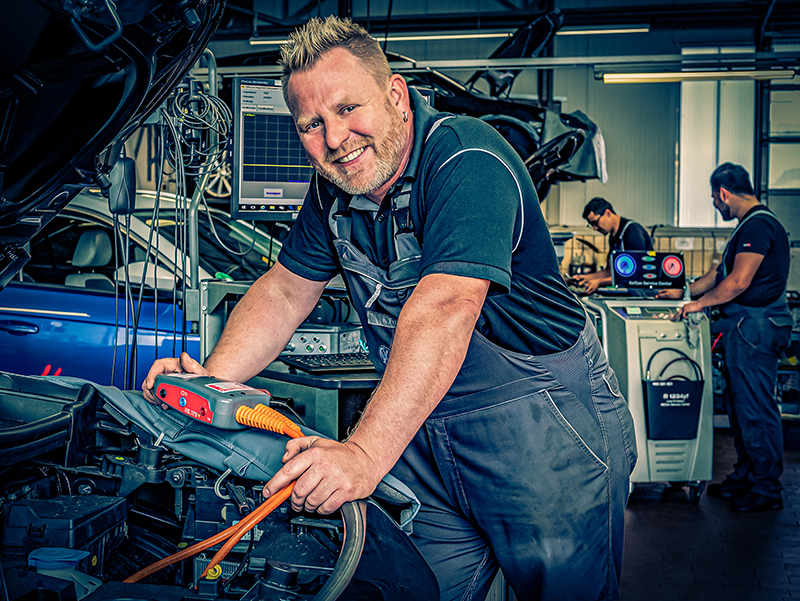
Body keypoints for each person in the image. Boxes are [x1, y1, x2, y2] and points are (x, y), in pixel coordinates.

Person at [143, 16, 637, 600]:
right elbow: (283, 289)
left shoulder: (466, 159)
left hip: (542, 433)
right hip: (422, 427)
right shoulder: (335, 192)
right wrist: (211, 382)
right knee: (408, 587)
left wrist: (362, 453)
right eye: (312, 123)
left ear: (396, 96)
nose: (334, 138)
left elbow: (447, 304)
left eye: (350, 108)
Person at [657, 163, 792, 513]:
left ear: (723, 193)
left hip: (756, 329)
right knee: (739, 406)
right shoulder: (747, 227)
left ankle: (766, 488)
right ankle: (746, 475)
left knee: (757, 409)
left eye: (715, 199)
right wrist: (683, 293)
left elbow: (737, 282)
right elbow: (719, 274)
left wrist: (699, 305)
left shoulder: (759, 225)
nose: (716, 206)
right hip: (745, 329)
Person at [572, 197, 653, 295]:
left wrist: (599, 282)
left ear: (608, 213)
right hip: (628, 293)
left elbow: (634, 275)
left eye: (595, 222)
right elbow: (609, 272)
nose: (594, 228)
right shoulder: (613, 237)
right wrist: (585, 277)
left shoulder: (632, 232)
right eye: (591, 225)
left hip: (641, 295)